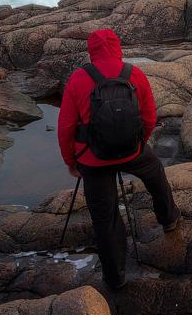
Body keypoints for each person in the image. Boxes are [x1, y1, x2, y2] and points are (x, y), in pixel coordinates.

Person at [58, 28, 180, 290]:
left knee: (105, 217)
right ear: (118, 48)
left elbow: (66, 125)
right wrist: (139, 143)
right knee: (155, 173)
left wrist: (71, 161)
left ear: (91, 52)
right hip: (131, 152)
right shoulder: (134, 73)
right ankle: (169, 219)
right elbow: (149, 116)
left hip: (92, 159)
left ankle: (114, 278)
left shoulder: (78, 79)